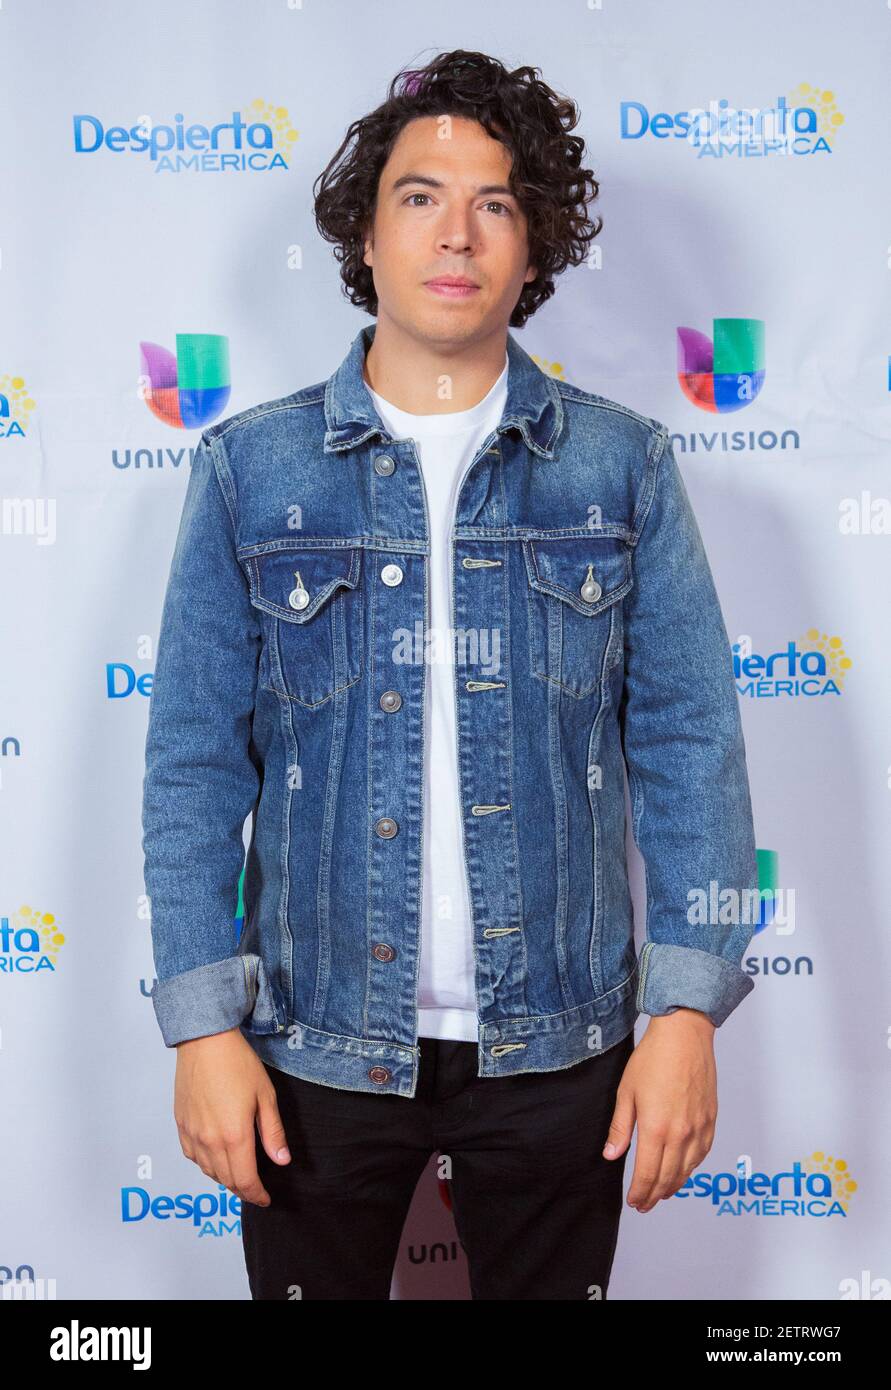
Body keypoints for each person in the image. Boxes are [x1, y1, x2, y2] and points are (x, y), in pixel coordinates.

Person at [142, 49, 759, 1300]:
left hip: (562, 1054)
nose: (457, 233)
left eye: (496, 204)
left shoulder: (621, 468)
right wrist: (204, 1022)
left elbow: (691, 746)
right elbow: (195, 764)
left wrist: (687, 1011)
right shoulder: (249, 472)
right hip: (311, 1052)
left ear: (535, 250)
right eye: (420, 197)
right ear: (363, 238)